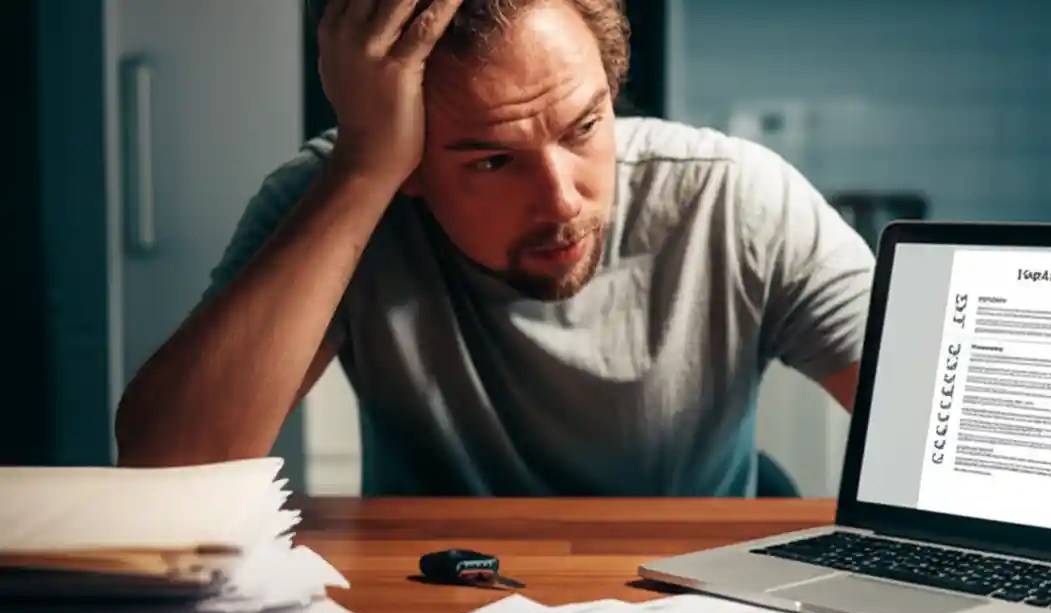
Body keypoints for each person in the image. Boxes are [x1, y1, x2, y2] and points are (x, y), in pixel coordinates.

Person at [113, 0, 875, 496]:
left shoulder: (736, 198)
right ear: (409, 160)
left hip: (690, 607)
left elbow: (946, 445)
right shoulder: (345, 190)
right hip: (432, 602)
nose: (561, 200)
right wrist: (363, 169)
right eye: (489, 160)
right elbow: (170, 470)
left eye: (583, 127)